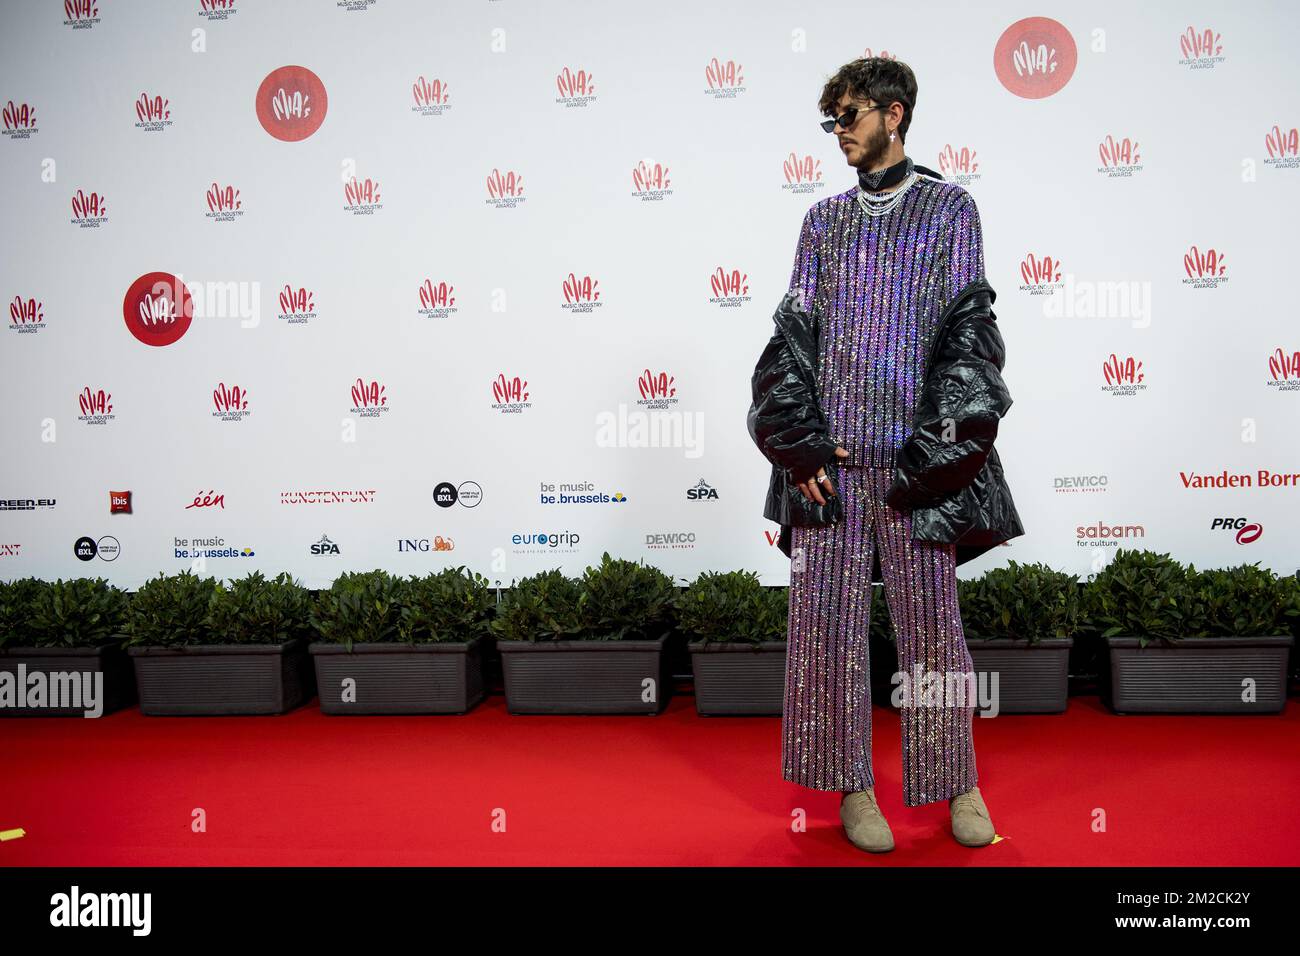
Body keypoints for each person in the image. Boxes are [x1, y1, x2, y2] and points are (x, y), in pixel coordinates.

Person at [782, 56, 997, 852]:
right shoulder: (823, 223)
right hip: (830, 468)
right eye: (831, 120)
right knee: (827, 628)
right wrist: (798, 441)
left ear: (893, 114)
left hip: (918, 468)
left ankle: (958, 785)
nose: (838, 133)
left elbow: (970, 339)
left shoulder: (950, 213)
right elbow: (791, 340)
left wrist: (936, 451)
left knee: (935, 630)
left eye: (848, 117)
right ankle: (852, 787)